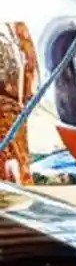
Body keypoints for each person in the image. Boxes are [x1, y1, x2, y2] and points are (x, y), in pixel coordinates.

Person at [0, 22, 38, 186]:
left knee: (19, 163)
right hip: (13, 104)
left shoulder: (18, 30)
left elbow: (29, 67)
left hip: (14, 105)